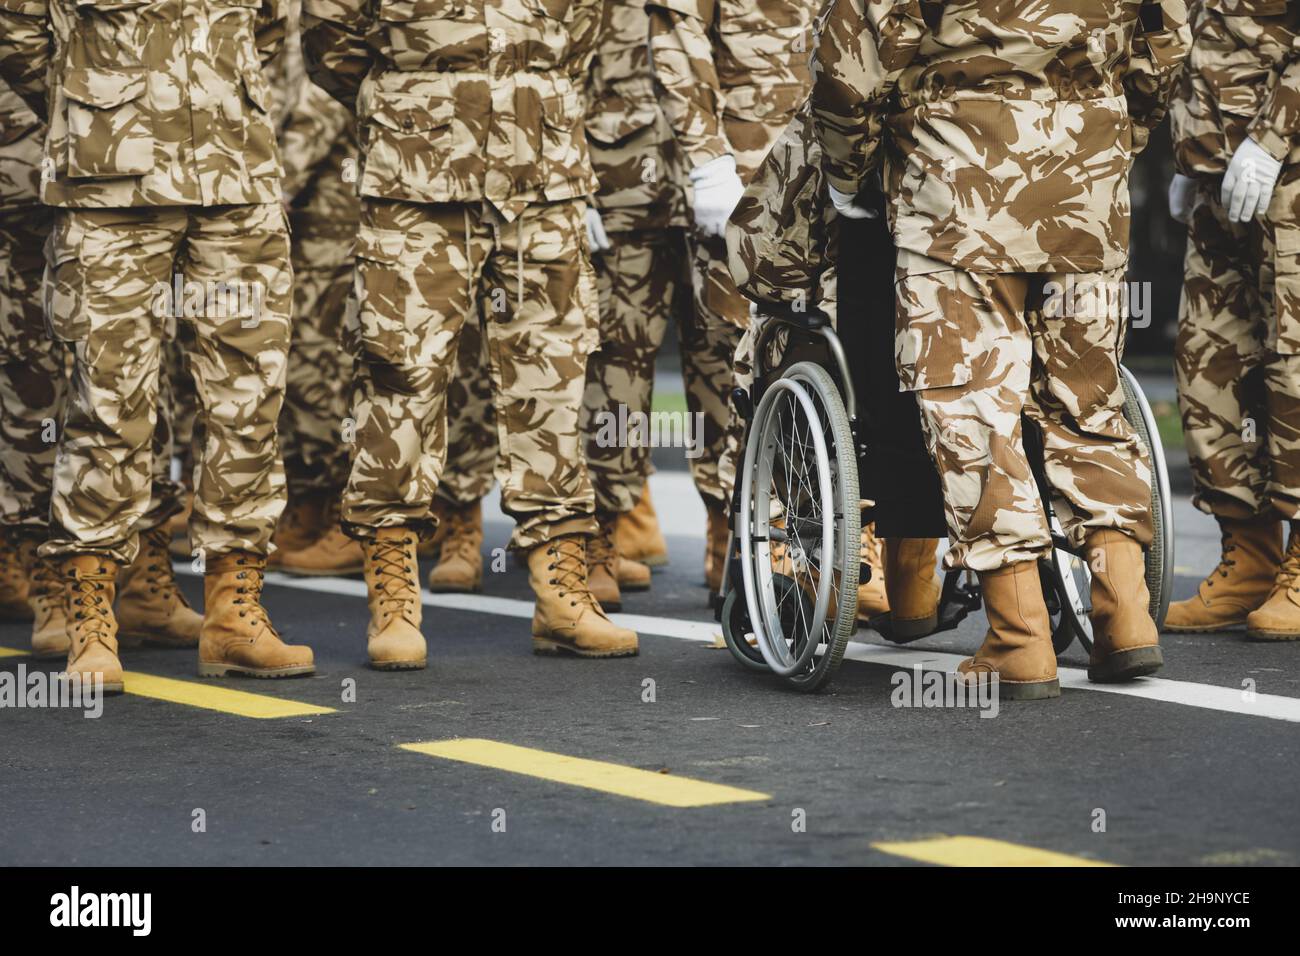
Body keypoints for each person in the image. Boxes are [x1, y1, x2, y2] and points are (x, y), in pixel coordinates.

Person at [813, 0, 1191, 699]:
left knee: (973, 406)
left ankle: (1019, 639)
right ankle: (1125, 619)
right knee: (1088, 403)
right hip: (1086, 181)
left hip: (958, 184)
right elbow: (1164, 44)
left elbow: (851, 65)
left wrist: (849, 171)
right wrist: (1106, 133)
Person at [302, 0, 638, 663]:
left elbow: (584, 32)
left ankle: (560, 587)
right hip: (418, 176)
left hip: (541, 176)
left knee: (553, 384)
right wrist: (423, 94)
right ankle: (393, 596)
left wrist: (520, 91)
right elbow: (330, 39)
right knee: (401, 378)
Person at [0, 0, 314, 692]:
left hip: (235, 175)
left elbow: (273, 24)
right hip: (110, 179)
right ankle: (92, 617)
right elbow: (20, 34)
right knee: (108, 399)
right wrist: (97, 102)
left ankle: (236, 612)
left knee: (248, 399)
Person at [646, 0, 823, 593]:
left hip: (846, 158)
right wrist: (706, 160)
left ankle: (841, 534)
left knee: (847, 346)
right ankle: (742, 530)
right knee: (728, 353)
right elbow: (676, 33)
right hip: (747, 166)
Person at [1165, 0, 1300, 641]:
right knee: (1207, 363)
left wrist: (1275, 137)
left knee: (1294, 366)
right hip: (1218, 180)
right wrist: (1184, 151)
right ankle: (1249, 557)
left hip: (1290, 170)